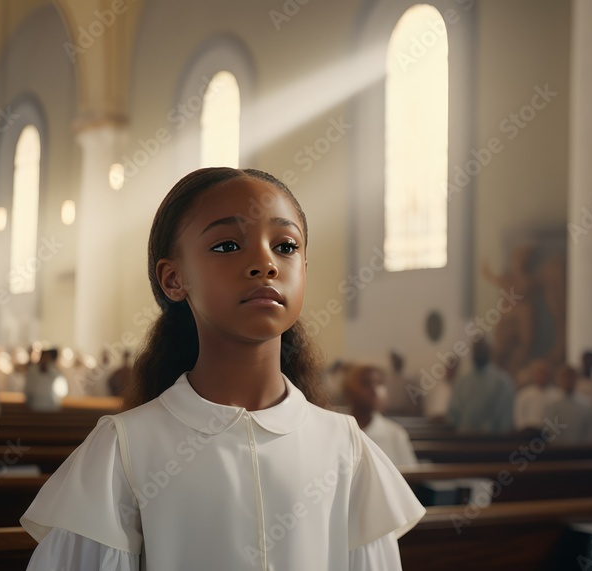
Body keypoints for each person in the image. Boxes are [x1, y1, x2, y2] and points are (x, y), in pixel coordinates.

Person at [21, 167, 425, 570]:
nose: (266, 264)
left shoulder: (346, 449)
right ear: (174, 278)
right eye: (228, 246)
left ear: (304, 269)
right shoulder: (124, 450)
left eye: (285, 247)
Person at [344, 365, 418, 468]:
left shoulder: (395, 433)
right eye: (366, 383)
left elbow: (411, 475)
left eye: (379, 383)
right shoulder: (337, 428)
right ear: (349, 390)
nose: (374, 390)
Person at [446, 339, 516, 433]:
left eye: (482, 349)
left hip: (494, 441)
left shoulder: (502, 382)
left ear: (490, 351)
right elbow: (453, 413)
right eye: (477, 349)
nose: (479, 352)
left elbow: (505, 415)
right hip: (464, 440)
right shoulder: (462, 381)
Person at [544, 365, 592, 444]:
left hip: (583, 451)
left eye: (571, 377)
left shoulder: (587, 404)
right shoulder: (551, 405)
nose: (568, 381)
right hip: (559, 451)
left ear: (576, 379)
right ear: (559, 379)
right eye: (564, 377)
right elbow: (549, 432)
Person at [513, 359, 561, 433]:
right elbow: (519, 417)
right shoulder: (524, 394)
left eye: (543, 373)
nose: (541, 376)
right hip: (528, 434)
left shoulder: (557, 395)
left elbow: (559, 418)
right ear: (533, 375)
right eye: (538, 373)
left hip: (550, 434)